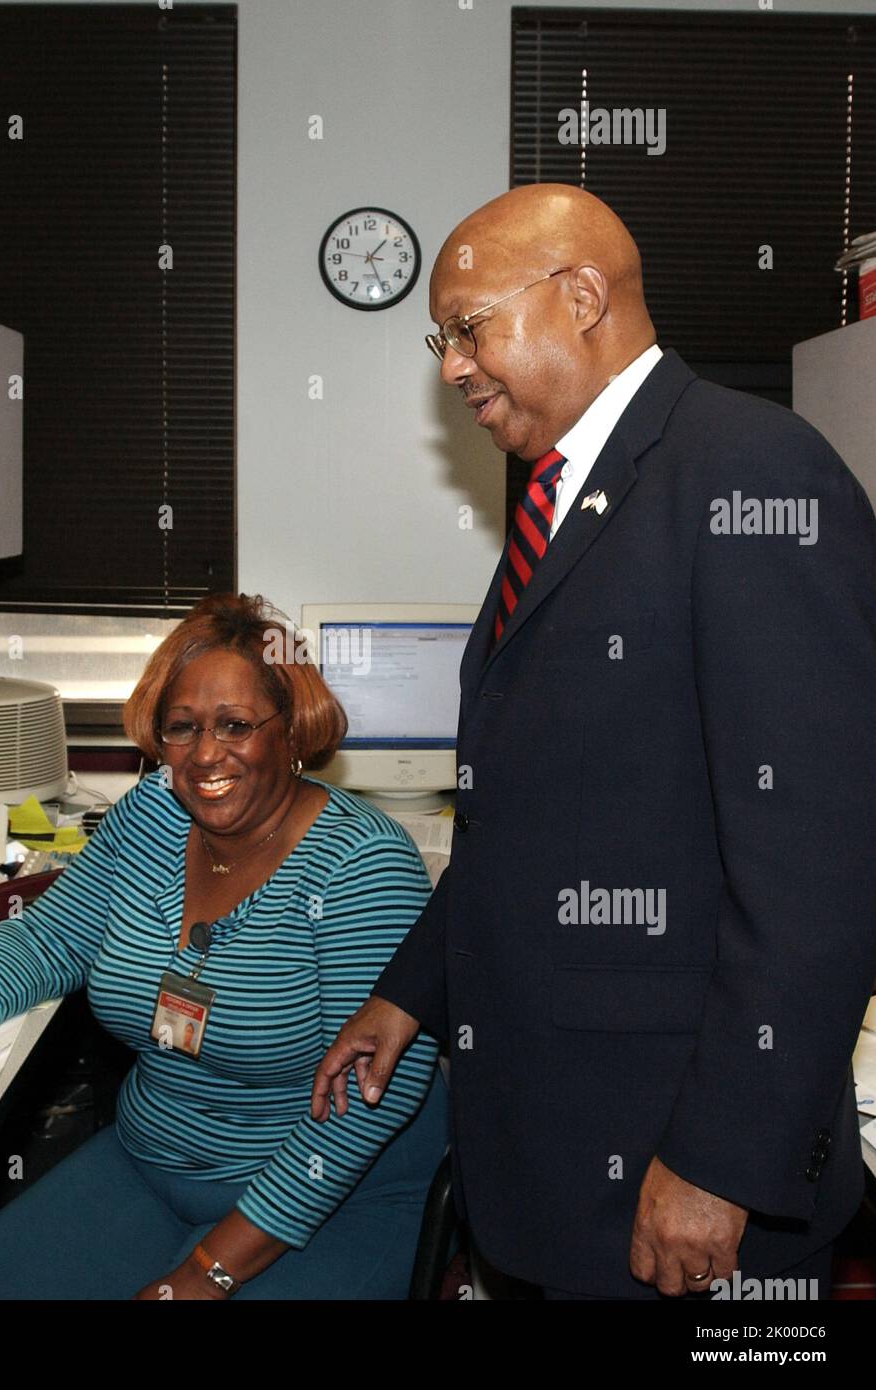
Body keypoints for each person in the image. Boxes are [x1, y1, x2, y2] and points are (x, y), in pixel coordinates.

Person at [312, 183, 876, 1301]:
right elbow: (527, 812)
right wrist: (407, 990)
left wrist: (721, 1160)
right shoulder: (562, 491)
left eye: (467, 328)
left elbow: (822, 868)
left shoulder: (749, 472)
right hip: (551, 1160)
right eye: (443, 339)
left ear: (578, 297)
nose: (450, 368)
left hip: (676, 1168)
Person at [0, 593, 447, 1300]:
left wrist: (206, 1271)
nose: (205, 755)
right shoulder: (152, 816)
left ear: (291, 732)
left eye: (236, 725)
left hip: (328, 1193)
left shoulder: (362, 864)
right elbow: (47, 940)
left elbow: (365, 1103)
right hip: (150, 1161)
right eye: (182, 728)